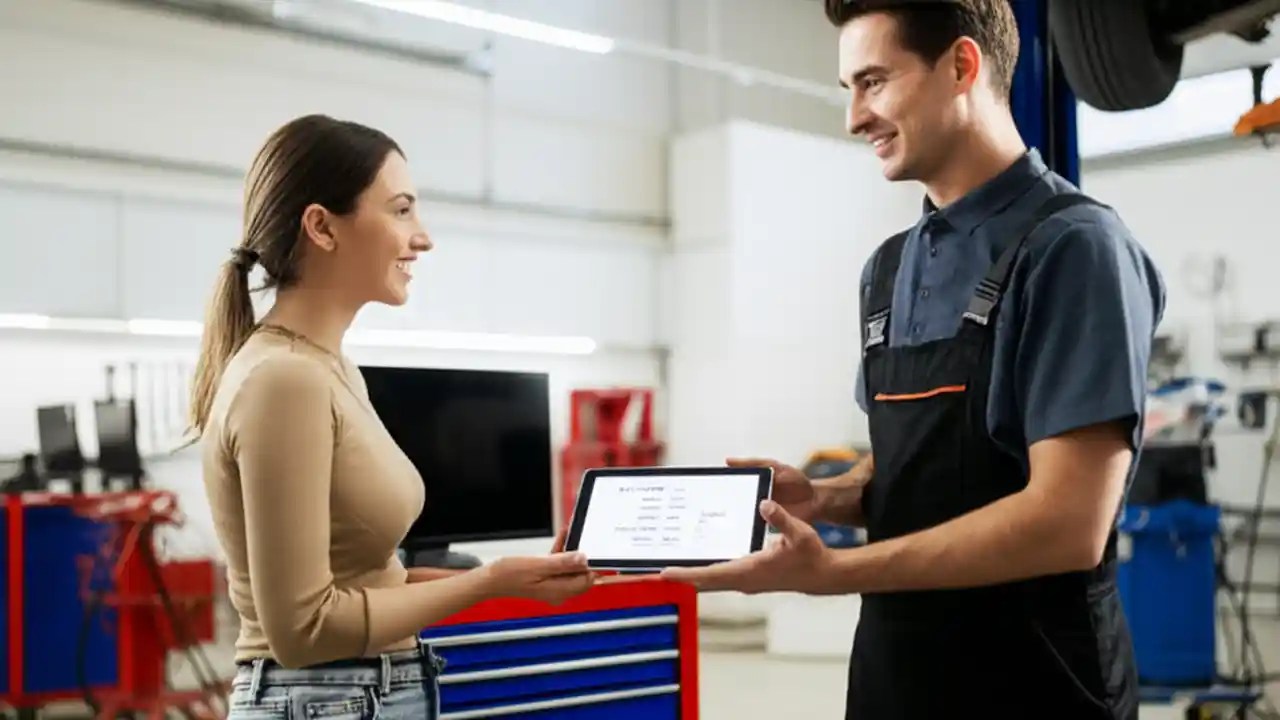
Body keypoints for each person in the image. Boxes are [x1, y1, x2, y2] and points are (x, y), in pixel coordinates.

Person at [661, 2, 1166, 719]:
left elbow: (1069, 523)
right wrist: (830, 497)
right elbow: (924, 465)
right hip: (898, 677)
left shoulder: (1074, 250)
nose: (854, 118)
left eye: (874, 82)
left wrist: (832, 572)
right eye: (848, 90)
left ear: (962, 66)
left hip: (1035, 684)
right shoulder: (888, 267)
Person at [188, 114, 595, 720]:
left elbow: (372, 587)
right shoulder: (285, 380)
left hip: (359, 695)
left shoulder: (330, 369)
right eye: (401, 210)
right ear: (322, 227)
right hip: (327, 700)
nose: (422, 238)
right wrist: (486, 582)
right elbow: (304, 629)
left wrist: (517, 578)